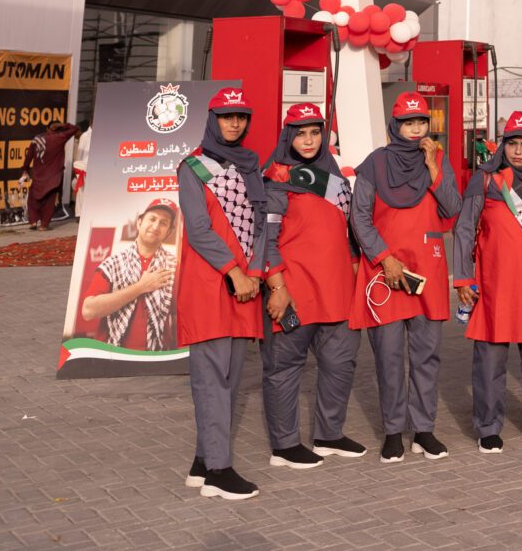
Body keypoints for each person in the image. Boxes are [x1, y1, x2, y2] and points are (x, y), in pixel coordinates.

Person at [349, 92, 461, 464]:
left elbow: (453, 207)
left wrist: (433, 168)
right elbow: (359, 218)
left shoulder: (438, 159)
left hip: (427, 269)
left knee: (427, 355)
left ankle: (424, 430)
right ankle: (393, 432)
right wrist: (385, 259)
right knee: (389, 357)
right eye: (408, 123)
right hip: (385, 272)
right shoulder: (374, 165)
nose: (415, 129)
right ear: (394, 126)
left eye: (421, 122)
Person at [175, 88, 273, 499]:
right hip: (211, 284)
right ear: (212, 120)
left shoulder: (250, 165)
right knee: (212, 379)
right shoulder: (193, 166)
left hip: (245, 286)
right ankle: (218, 470)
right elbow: (199, 230)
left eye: (241, 116)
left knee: (228, 380)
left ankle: (203, 462)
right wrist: (234, 272)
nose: (235, 123)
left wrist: (254, 273)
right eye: (227, 116)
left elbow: (262, 224)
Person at [259, 104, 365, 469]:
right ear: (288, 136)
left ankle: (329, 434)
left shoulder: (335, 178)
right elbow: (266, 240)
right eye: (301, 133)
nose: (308, 140)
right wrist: (277, 288)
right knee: (284, 366)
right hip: (294, 292)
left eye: (315, 133)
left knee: (341, 362)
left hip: (338, 291)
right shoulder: (275, 178)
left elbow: (349, 235)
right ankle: (285, 446)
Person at [454, 110, 522, 452]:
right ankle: (488, 426)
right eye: (512, 143)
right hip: (494, 283)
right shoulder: (486, 179)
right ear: (503, 145)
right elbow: (464, 228)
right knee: (490, 358)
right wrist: (463, 278)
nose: (518, 151)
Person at [76, 199, 178, 350]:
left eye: (163, 223)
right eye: (152, 219)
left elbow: (179, 317)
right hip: (112, 354)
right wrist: (141, 287)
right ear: (139, 223)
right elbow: (88, 311)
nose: (156, 226)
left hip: (157, 356)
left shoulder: (173, 267)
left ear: (169, 232)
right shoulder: (113, 264)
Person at [23, 117, 79, 230]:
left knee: (34, 199)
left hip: (39, 176)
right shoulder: (60, 137)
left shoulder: (37, 139)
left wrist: (25, 169)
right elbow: (75, 128)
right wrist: (63, 125)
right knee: (49, 201)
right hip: (53, 177)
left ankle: (33, 222)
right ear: (57, 128)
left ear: (47, 128)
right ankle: (43, 225)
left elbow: (29, 156)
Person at [71, 121, 93, 214]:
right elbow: (79, 155)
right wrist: (77, 168)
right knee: (81, 193)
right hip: (83, 168)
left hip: (95, 169)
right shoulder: (85, 136)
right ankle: (80, 215)